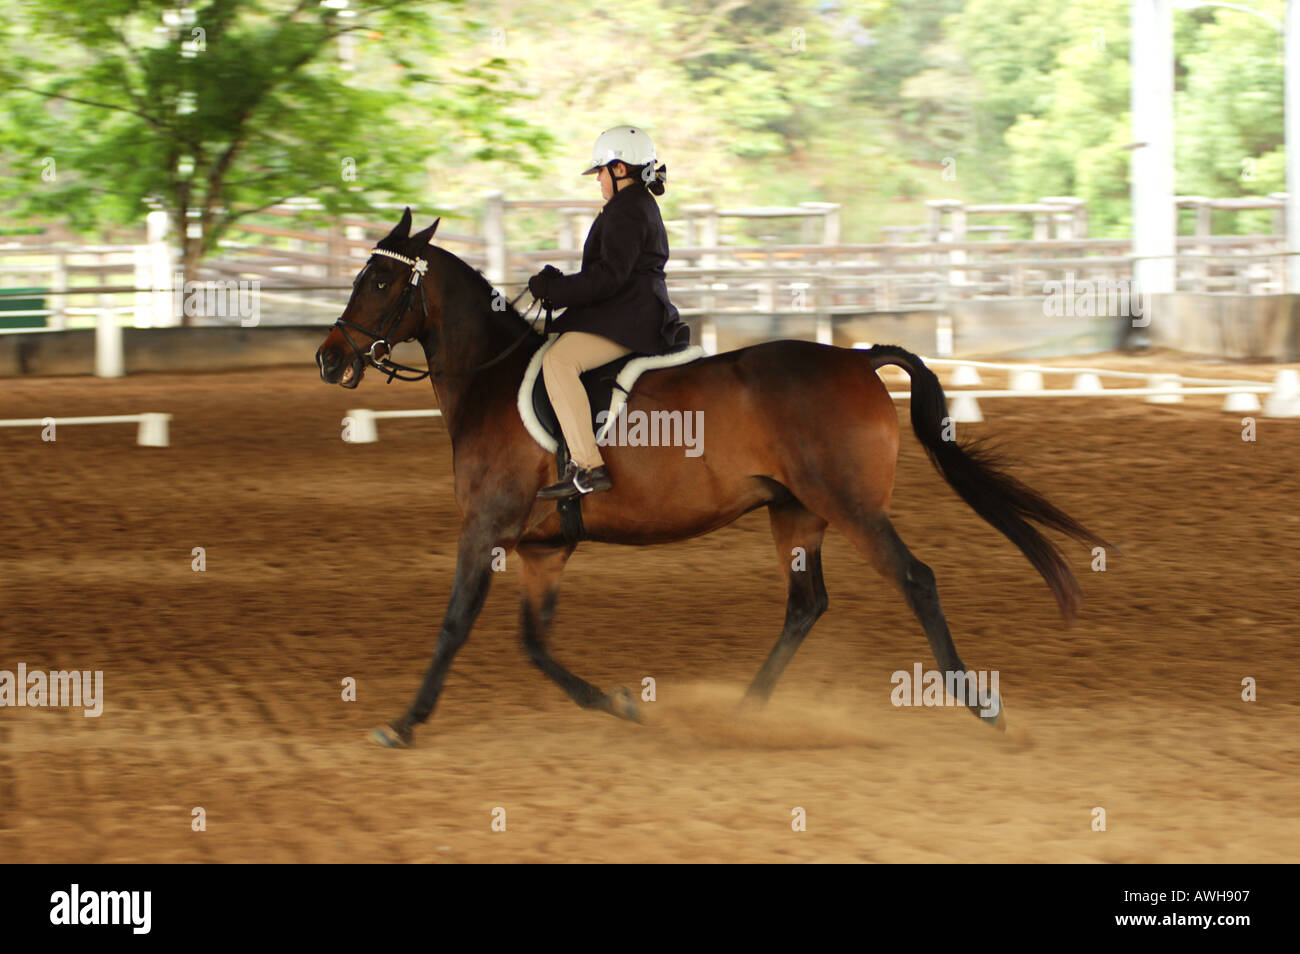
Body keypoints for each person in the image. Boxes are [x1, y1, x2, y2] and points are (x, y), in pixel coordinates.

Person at [527, 124, 687, 499]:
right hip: (630, 309)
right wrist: (560, 286)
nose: (597, 178)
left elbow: (608, 278)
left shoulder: (626, 210)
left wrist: (556, 290)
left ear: (619, 169)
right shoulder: (635, 205)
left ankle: (587, 466)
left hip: (631, 316)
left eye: (600, 170)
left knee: (559, 362)